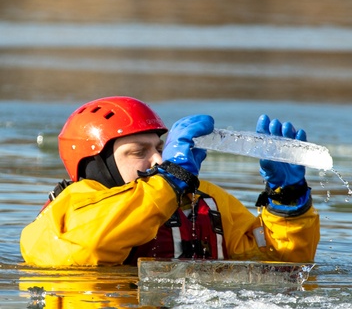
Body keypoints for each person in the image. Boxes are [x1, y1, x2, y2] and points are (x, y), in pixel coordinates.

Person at [20, 97, 320, 267]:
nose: (159, 162)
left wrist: (287, 201)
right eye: (139, 152)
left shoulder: (205, 200)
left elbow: (282, 264)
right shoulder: (68, 210)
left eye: (161, 150)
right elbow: (91, 246)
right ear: (97, 166)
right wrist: (170, 178)